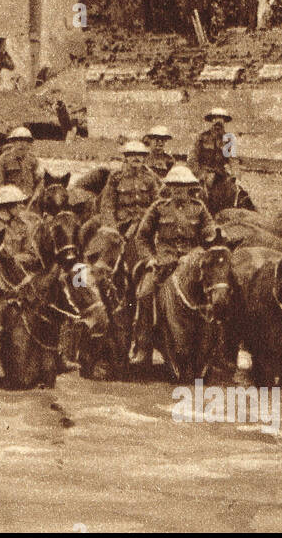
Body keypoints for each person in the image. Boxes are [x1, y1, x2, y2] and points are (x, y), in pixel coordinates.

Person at [130, 164, 217, 357]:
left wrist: (208, 241)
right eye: (174, 186)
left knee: (216, 293)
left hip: (191, 261)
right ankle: (144, 345)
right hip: (163, 262)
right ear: (168, 188)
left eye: (183, 186)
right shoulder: (159, 208)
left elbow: (209, 232)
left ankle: (215, 350)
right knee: (144, 294)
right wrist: (150, 259)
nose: (178, 190)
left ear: (190, 188)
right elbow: (142, 237)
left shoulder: (199, 208)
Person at [99, 139, 163, 234]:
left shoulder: (150, 178)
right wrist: (112, 229)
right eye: (132, 155)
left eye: (140, 155)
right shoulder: (116, 177)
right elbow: (107, 206)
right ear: (126, 157)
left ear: (144, 158)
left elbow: (158, 203)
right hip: (121, 225)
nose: (136, 158)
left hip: (145, 225)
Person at [0, 184, 40, 272]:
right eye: (16, 204)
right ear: (5, 207)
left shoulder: (22, 223)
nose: (20, 207)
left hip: (21, 268)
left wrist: (27, 255)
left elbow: (30, 248)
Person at [190, 107, 233, 191]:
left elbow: (233, 160)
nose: (218, 121)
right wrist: (199, 174)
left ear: (224, 122)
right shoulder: (202, 137)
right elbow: (192, 158)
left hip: (221, 174)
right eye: (215, 118)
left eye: (221, 119)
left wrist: (234, 175)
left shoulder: (228, 140)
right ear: (211, 120)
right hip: (204, 173)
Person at [0, 126, 40, 198]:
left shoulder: (33, 160)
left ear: (29, 144)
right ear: (12, 143)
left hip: (29, 201)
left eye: (25, 141)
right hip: (11, 201)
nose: (22, 144)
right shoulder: (4, 159)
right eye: (18, 141)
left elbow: (39, 182)